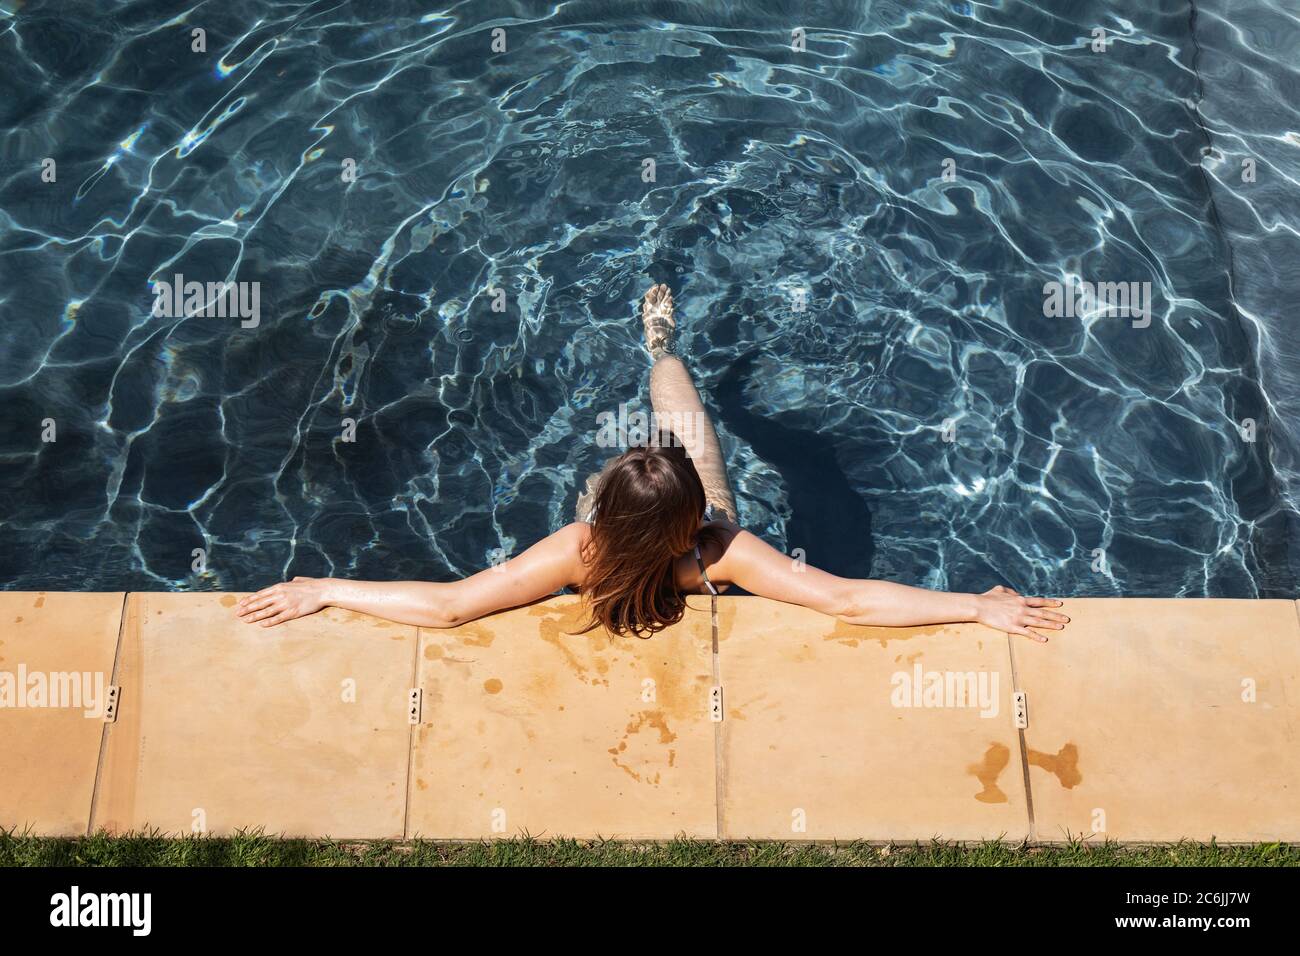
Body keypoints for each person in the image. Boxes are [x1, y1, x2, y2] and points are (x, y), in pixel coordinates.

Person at [236, 284, 1067, 641]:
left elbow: (452, 608)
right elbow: (847, 601)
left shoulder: (579, 548)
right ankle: (662, 349)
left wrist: (324, 587)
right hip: (670, 537)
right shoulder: (719, 548)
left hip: (628, 528)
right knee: (684, 409)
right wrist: (973, 608)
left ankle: (657, 345)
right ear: (693, 515)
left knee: (676, 413)